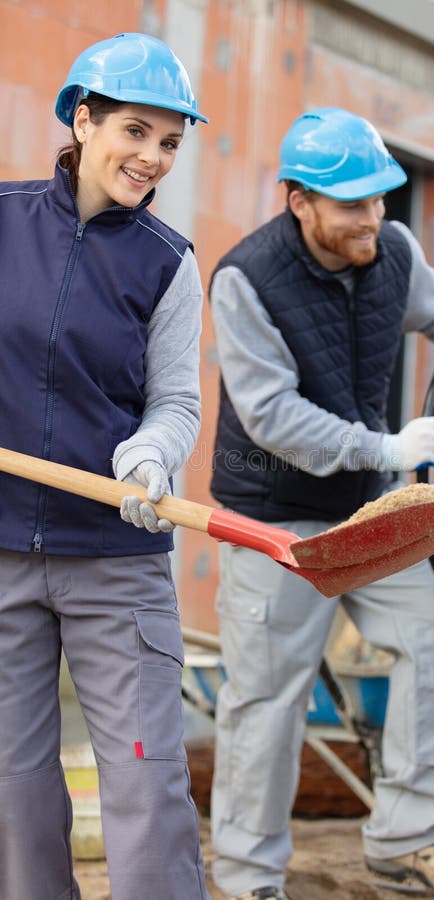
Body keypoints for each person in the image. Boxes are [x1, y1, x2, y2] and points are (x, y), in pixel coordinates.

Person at [208, 107, 434, 900]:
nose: (374, 218)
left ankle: (405, 839)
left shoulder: (391, 250)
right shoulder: (245, 279)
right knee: (267, 699)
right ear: (299, 200)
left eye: (381, 199)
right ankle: (248, 878)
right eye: (352, 204)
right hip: (276, 523)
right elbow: (272, 416)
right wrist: (386, 450)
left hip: (367, 512)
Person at [0, 33, 210, 900]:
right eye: (135, 131)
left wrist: (154, 453)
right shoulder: (3, 221)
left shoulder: (167, 262)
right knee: (10, 790)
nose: (152, 157)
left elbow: (177, 402)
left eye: (169, 141)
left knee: (144, 783)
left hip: (116, 559)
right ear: (82, 120)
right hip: (3, 547)